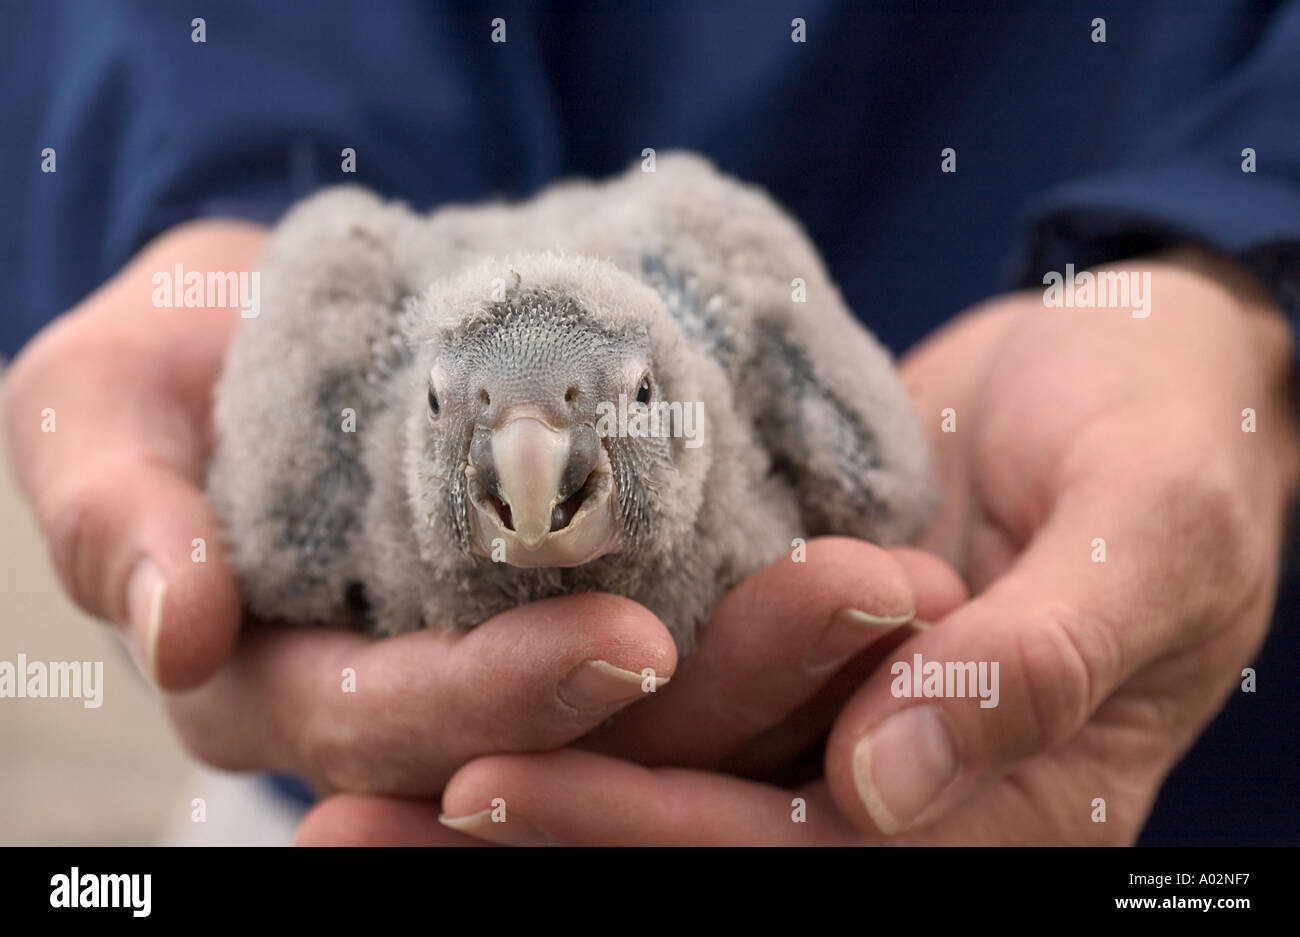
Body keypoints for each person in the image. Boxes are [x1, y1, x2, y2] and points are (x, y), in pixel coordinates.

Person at [3, 1, 1298, 845]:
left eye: (612, 407)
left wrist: (1241, 263)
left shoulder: (713, 274)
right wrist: (222, 191)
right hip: (361, 810)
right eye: (467, 416)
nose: (530, 458)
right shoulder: (347, 342)